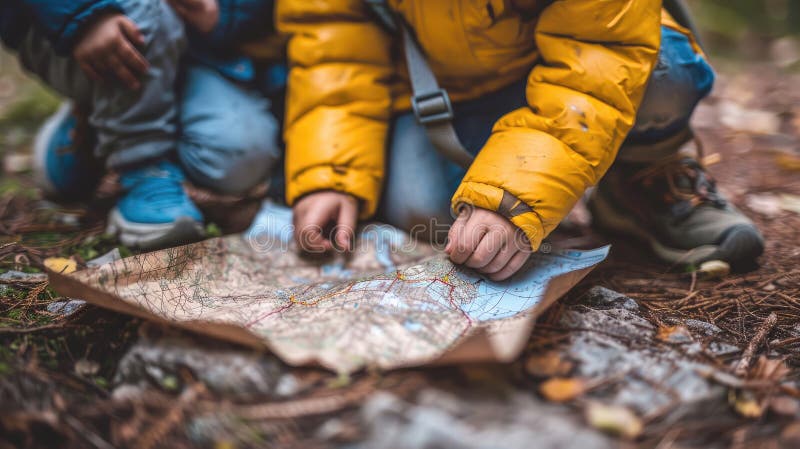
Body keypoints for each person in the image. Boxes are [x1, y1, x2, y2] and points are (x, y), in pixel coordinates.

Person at [277, 0, 763, 281]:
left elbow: (600, 51)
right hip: (447, 95)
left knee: (663, 73)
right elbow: (336, 51)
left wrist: (513, 197)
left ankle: (644, 170)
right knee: (424, 211)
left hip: (578, 69)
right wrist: (331, 174)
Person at [0, 0, 284, 249]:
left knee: (241, 154)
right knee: (143, 11)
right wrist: (84, 13)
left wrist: (225, 12)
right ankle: (144, 172)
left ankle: (96, 123)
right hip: (71, 29)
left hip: (196, 48)